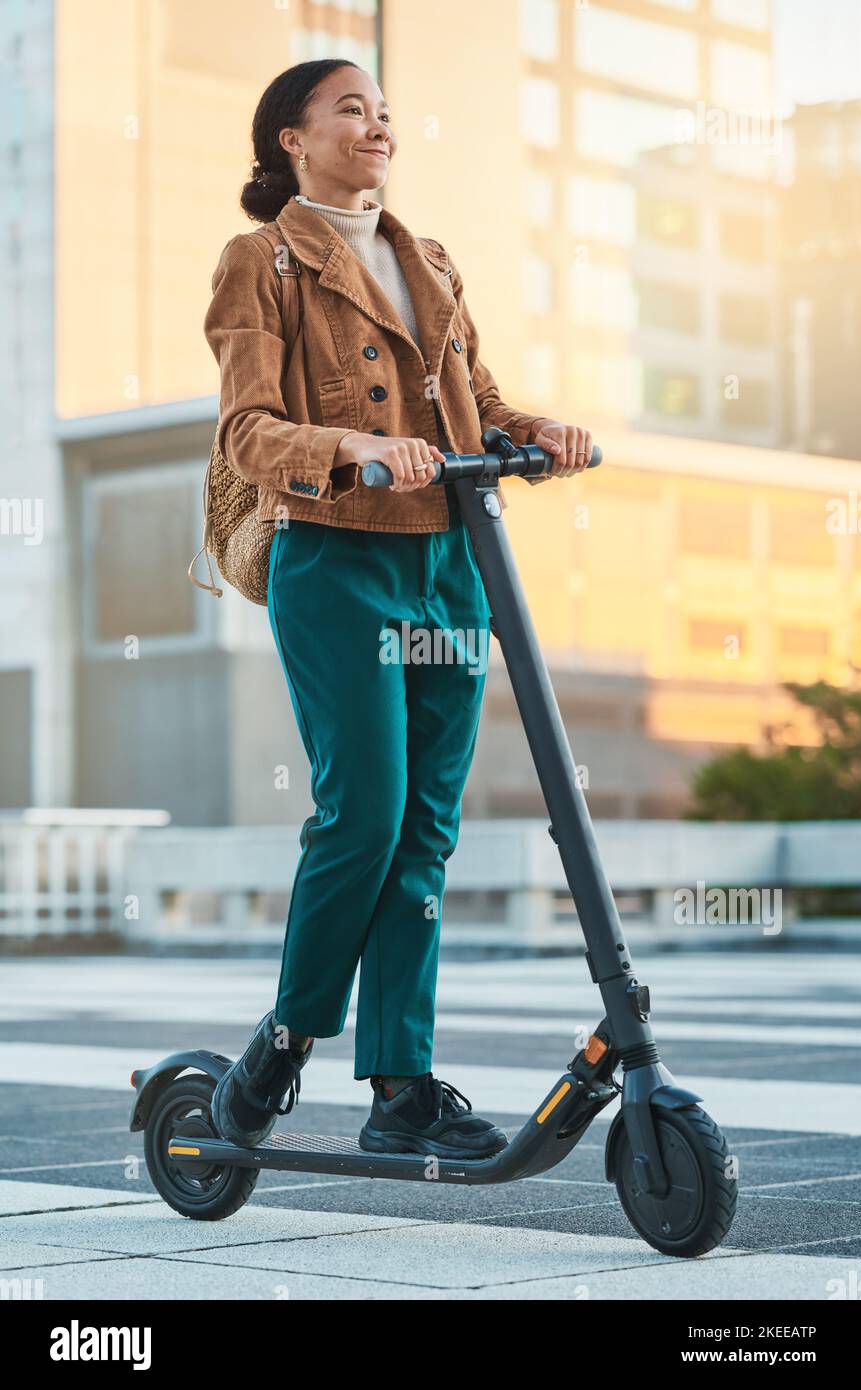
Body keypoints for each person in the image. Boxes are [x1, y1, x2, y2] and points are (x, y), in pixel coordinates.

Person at [204, 58, 593, 1159]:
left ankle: (401, 1085)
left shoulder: (426, 257)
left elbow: (477, 398)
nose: (375, 126)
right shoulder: (261, 258)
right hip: (334, 559)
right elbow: (248, 429)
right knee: (363, 814)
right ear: (291, 137)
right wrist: (355, 449)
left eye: (381, 112)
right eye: (348, 111)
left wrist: (541, 433)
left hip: (450, 564)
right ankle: (282, 1043)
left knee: (425, 829)